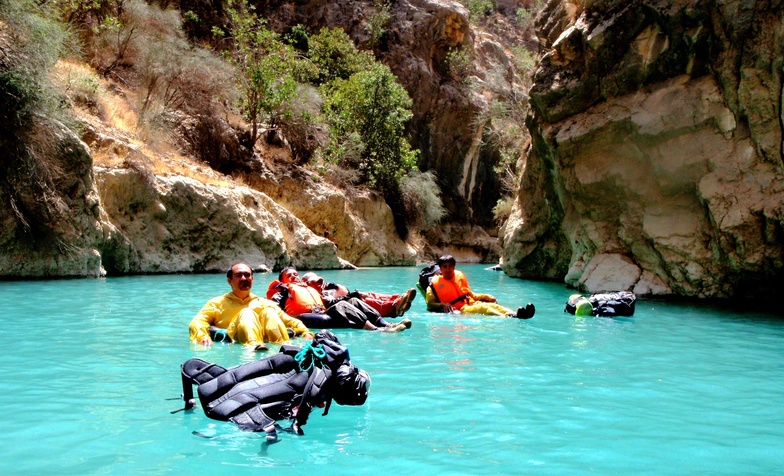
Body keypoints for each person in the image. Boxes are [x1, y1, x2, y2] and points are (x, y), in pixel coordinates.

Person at [189, 262, 314, 352]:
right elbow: (197, 321)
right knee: (247, 313)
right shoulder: (216, 303)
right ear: (229, 280)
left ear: (252, 279)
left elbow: (290, 321)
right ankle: (254, 347)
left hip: (271, 342)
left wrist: (305, 332)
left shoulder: (264, 303)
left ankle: (283, 348)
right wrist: (202, 336)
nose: (244, 278)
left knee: (269, 312)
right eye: (238, 275)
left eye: (247, 275)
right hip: (238, 342)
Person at [269, 267, 411, 332]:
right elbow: (273, 306)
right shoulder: (283, 290)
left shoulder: (311, 289)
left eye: (296, 274)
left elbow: (332, 303)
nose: (295, 276)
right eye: (290, 276)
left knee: (352, 302)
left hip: (320, 313)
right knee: (341, 305)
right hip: (301, 317)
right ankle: (376, 330)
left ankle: (386, 324)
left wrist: (351, 297)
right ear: (283, 280)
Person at [424, 255, 535, 319]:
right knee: (484, 308)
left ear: (454, 267)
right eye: (445, 267)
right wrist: (443, 305)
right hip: (459, 308)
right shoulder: (433, 284)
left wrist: (485, 296)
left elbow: (470, 294)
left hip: (471, 303)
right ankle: (512, 316)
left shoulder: (459, 275)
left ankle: (516, 313)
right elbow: (430, 304)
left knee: (491, 304)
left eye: (451, 266)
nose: (448, 270)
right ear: (440, 268)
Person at [300, 272, 417, 318]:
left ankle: (397, 299)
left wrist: (334, 286)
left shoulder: (323, 292)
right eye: (316, 282)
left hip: (343, 302)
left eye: (321, 282)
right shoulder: (314, 296)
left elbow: (342, 292)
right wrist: (351, 296)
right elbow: (334, 304)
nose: (320, 284)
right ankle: (392, 307)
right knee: (360, 299)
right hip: (341, 309)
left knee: (365, 294)